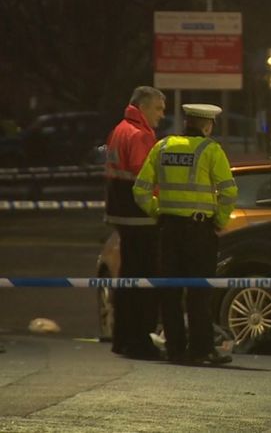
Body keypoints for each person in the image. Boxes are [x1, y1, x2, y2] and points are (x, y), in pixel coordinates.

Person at [133, 103, 238, 365]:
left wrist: (158, 212)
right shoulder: (210, 150)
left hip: (169, 230)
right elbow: (229, 191)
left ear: (186, 122)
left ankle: (175, 349)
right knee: (199, 292)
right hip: (199, 230)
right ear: (207, 125)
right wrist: (220, 220)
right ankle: (201, 350)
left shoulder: (163, 147)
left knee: (170, 291)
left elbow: (140, 189)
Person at [104, 86, 165, 360]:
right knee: (143, 280)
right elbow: (146, 179)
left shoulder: (119, 129)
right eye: (158, 109)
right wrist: (162, 203)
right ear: (142, 107)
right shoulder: (140, 135)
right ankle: (139, 340)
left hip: (120, 212)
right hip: (139, 216)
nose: (161, 115)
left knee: (127, 277)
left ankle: (122, 338)